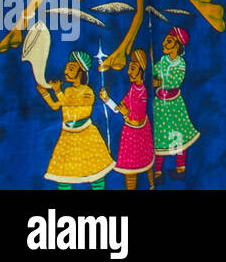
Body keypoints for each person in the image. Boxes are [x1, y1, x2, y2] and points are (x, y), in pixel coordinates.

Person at [38, 51, 115, 189]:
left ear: (81, 72)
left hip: (86, 135)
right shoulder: (67, 91)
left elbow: (80, 112)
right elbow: (56, 106)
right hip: (67, 136)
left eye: (71, 68)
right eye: (67, 68)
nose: (66, 71)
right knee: (63, 175)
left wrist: (57, 91)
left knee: (95, 173)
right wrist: (45, 93)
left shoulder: (87, 92)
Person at [100, 48, 155, 189]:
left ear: (141, 70)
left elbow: (138, 121)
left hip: (138, 137)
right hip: (130, 138)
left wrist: (125, 115)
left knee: (142, 167)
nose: (129, 72)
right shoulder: (132, 89)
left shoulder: (142, 93)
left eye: (133, 68)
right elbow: (119, 108)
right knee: (130, 172)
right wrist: (107, 100)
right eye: (129, 67)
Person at [153, 27, 199, 181]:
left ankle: (180, 169)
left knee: (178, 137)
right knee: (159, 137)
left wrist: (158, 81)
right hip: (160, 104)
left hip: (174, 105)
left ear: (178, 44)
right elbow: (155, 72)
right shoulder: (163, 61)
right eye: (165, 40)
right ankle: (158, 172)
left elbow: (174, 81)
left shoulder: (180, 64)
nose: (164, 43)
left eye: (169, 41)